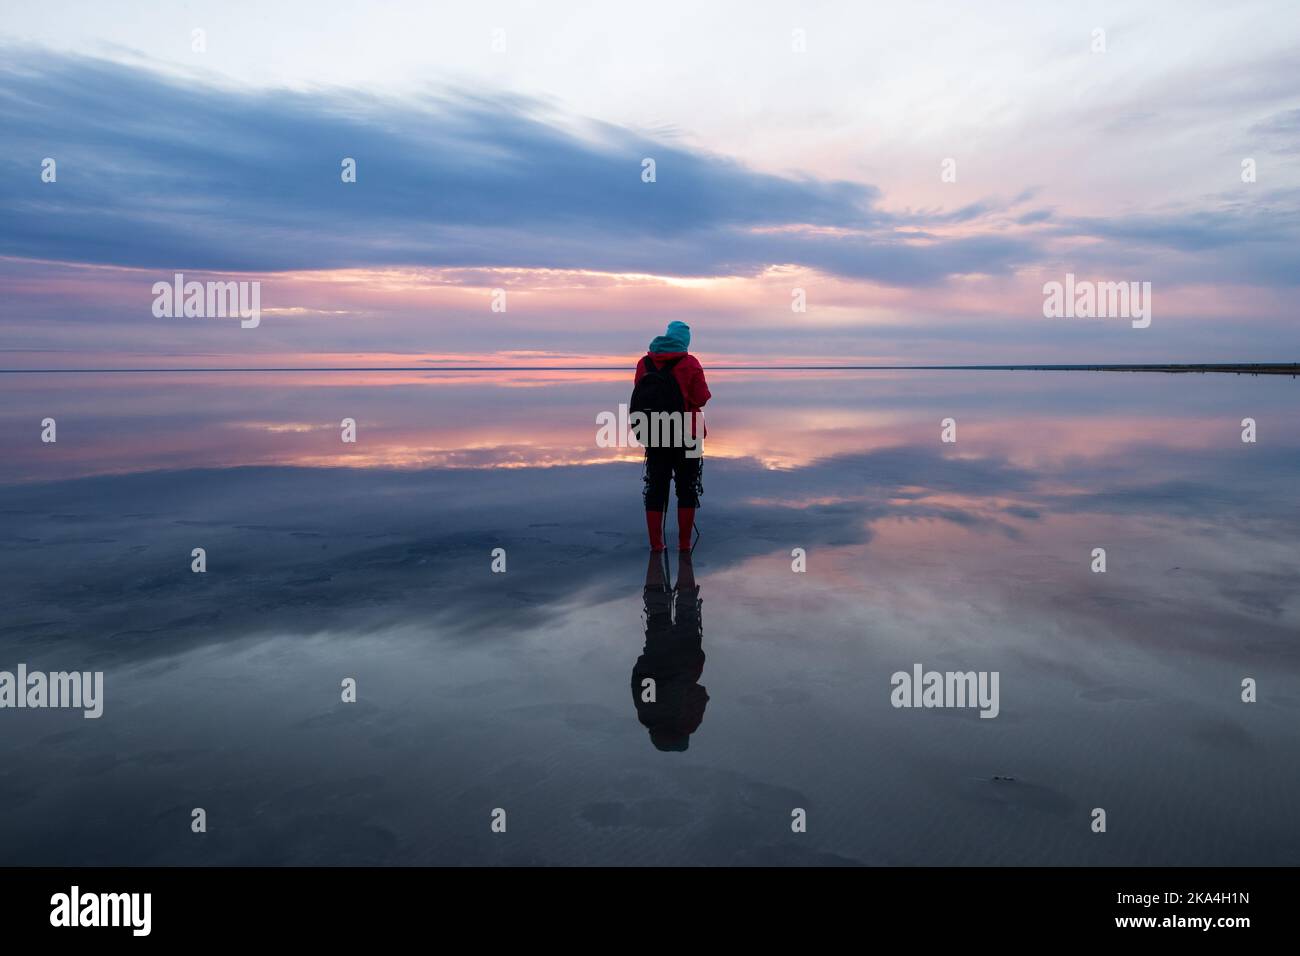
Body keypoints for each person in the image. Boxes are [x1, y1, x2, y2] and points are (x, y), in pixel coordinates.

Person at [632, 320, 711, 552]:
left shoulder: (644, 363)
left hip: (655, 432)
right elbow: (701, 398)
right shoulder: (690, 363)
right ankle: (684, 544)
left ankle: (656, 545)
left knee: (655, 487)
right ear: (685, 342)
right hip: (690, 434)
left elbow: (641, 394)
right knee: (687, 488)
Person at [631, 551, 707, 751]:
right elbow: (641, 677)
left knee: (686, 608)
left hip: (683, 657)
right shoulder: (648, 713)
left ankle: (675, 549)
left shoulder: (685, 723)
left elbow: (701, 694)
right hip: (660, 654)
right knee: (658, 611)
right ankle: (672, 549)